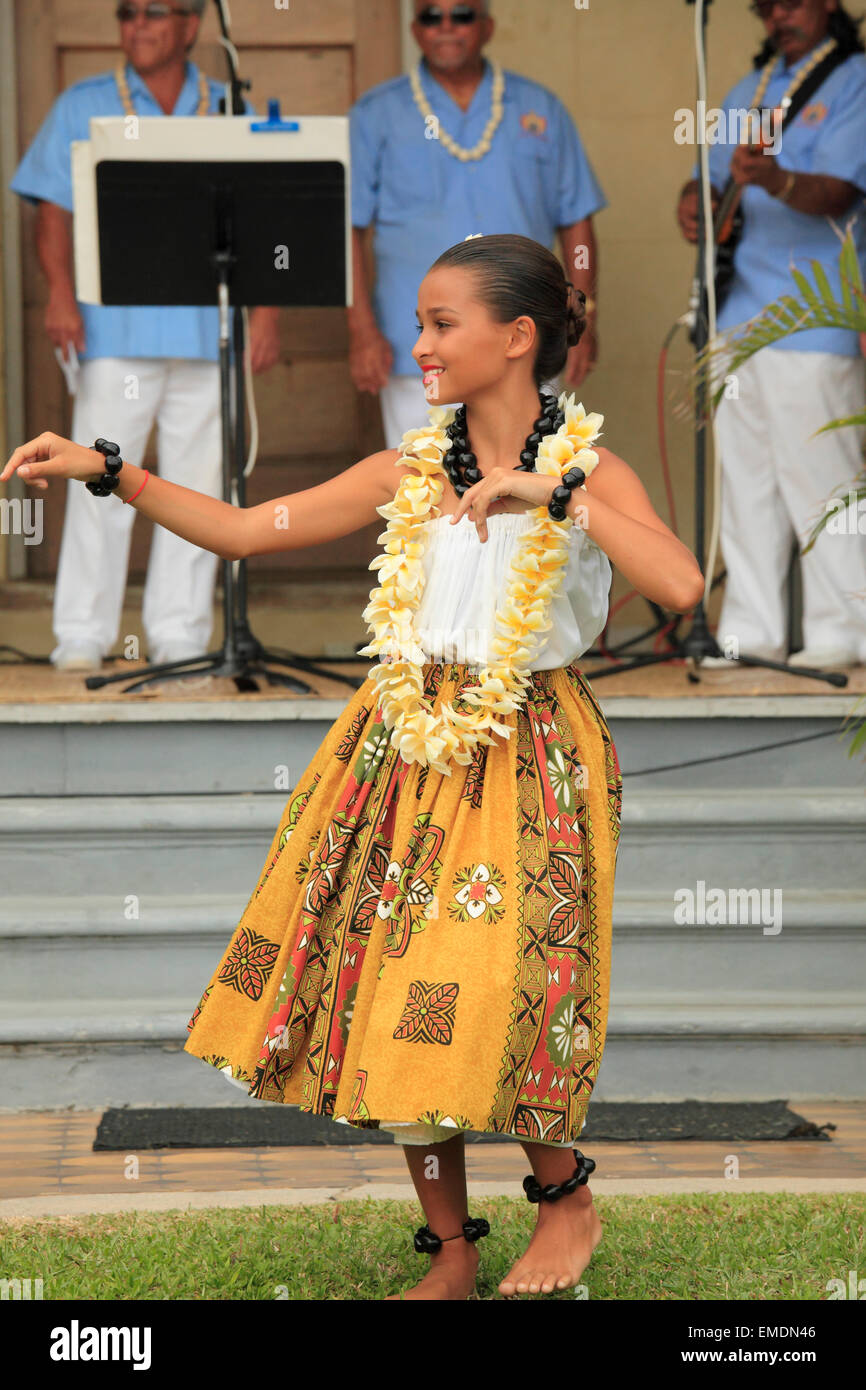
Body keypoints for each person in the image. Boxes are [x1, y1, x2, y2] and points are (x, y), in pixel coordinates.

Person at [2, 234, 704, 1301]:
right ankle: (452, 1249)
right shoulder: (405, 471)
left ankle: (564, 1201)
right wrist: (112, 469)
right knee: (389, 996)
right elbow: (243, 530)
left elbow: (681, 586)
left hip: (526, 749)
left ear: (515, 338)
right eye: (418, 322)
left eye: (438, 324)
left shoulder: (585, 470)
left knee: (498, 986)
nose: (416, 344)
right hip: (398, 749)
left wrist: (551, 496)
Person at [8, 0, 280, 673]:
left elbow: (265, 219)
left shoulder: (227, 105)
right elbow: (52, 213)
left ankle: (180, 632)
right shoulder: (85, 102)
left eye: (154, 12)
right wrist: (61, 297)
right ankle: (82, 632)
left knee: (194, 490)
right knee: (95, 478)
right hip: (115, 330)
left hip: (206, 331)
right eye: (127, 13)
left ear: (190, 25)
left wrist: (266, 317)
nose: (138, 24)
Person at [676, 0, 866, 670]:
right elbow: (715, 183)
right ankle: (750, 631)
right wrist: (696, 201)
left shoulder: (855, 80)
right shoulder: (744, 92)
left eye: (792, 3)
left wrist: (778, 178)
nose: (778, 16)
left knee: (823, 480)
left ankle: (841, 629)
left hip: (814, 317)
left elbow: (842, 193)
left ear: (827, 7)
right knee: (745, 485)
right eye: (767, 7)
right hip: (739, 314)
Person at [349, 0, 605, 447]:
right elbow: (347, 230)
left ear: (486, 27)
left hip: (522, 346)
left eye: (461, 14)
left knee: (534, 496)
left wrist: (582, 318)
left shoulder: (539, 107)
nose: (446, 27)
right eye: (432, 15)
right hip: (421, 354)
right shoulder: (376, 114)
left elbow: (576, 221)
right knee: (425, 499)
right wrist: (362, 330)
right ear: (415, 29)